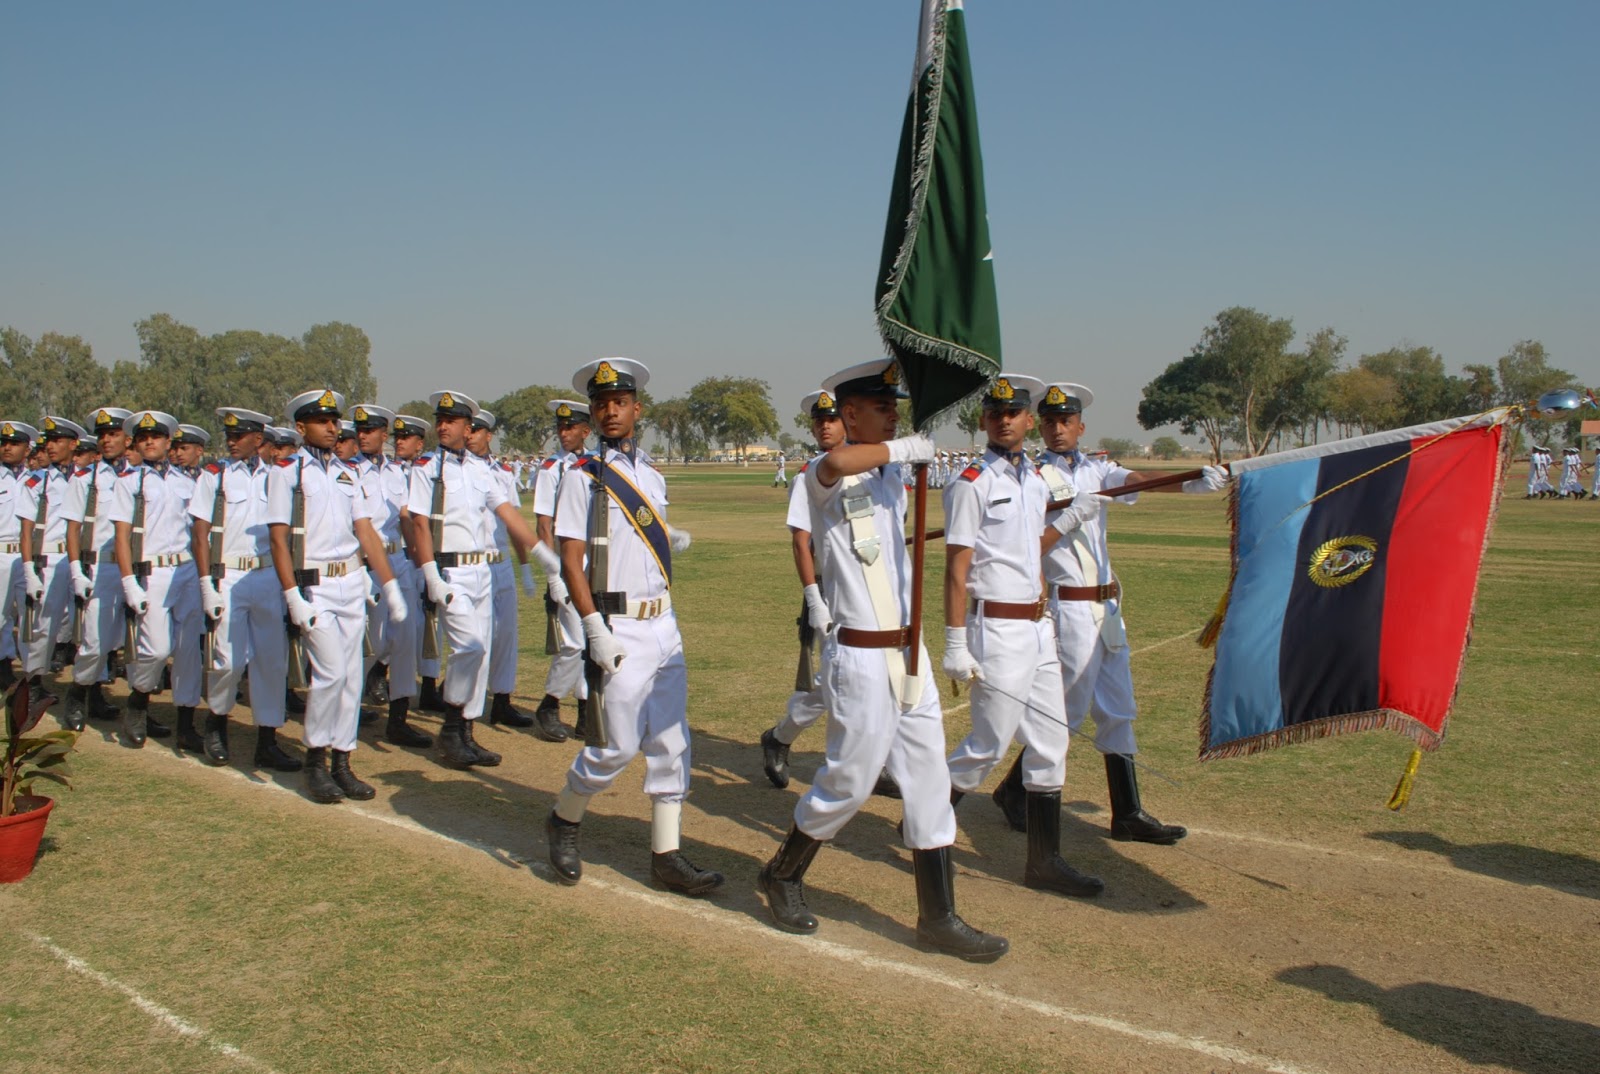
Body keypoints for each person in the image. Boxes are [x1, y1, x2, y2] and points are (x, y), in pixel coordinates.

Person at [755, 359, 1006, 961]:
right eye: (880, 405)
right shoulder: (825, 474)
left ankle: (938, 917)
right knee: (849, 780)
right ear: (848, 414)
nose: (893, 411)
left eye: (895, 404)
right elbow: (838, 463)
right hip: (860, 657)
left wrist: (907, 456)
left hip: (906, 650)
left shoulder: (893, 476)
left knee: (928, 782)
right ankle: (783, 874)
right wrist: (903, 446)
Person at [988, 382, 1227, 845]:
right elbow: (1023, 546)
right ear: (1040, 425)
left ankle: (1127, 811)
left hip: (1107, 605)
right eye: (1050, 421)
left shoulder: (1099, 469)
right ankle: (1015, 790)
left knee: (1119, 707)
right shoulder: (1031, 477)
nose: (1058, 429)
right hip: (1068, 606)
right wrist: (1068, 518)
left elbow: (1137, 482)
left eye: (1066, 421)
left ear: (1080, 426)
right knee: (1069, 708)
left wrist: (1196, 479)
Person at [545, 357, 722, 897]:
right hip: (616, 625)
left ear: (636, 409)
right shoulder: (581, 477)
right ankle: (564, 818)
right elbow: (570, 559)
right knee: (615, 746)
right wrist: (593, 628)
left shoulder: (651, 475)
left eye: (619, 402)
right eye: (601, 404)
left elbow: (645, 539)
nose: (610, 411)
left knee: (672, 742)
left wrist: (672, 537)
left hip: (663, 622)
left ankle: (665, 855)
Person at [941, 375, 1103, 899]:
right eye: (994, 413)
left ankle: (1044, 862)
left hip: (1038, 625)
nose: (1004, 420)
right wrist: (955, 640)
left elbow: (1032, 549)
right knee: (987, 745)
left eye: (1013, 413)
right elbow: (956, 568)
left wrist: (1072, 518)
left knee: (1052, 742)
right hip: (998, 629)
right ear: (985, 421)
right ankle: (925, 823)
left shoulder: (1035, 477)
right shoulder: (971, 482)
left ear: (1028, 420)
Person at [267, 389, 409, 803]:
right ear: (300, 427)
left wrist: (388, 583)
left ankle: (342, 759)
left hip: (350, 583)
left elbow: (365, 532)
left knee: (350, 676)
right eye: (322, 421)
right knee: (329, 673)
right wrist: (293, 595)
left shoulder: (348, 473)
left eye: (334, 421)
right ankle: (315, 758)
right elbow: (278, 541)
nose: (332, 427)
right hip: (315, 587)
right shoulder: (286, 473)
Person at [407, 391, 548, 769]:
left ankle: (464, 733)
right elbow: (419, 524)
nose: (443, 426)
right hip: (451, 572)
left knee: (482, 652)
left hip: (483, 570)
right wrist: (431, 575)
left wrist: (539, 555)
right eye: (440, 420)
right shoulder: (425, 468)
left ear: (468, 428)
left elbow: (507, 514)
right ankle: (452, 728)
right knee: (468, 647)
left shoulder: (482, 471)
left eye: (451, 421)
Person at [190, 407, 302, 769]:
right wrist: (206, 582)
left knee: (271, 662)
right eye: (229, 436)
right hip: (230, 576)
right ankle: (217, 722)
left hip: (269, 576)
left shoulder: (278, 477)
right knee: (228, 661)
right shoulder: (215, 476)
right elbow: (200, 534)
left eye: (240, 436)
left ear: (259, 439)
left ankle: (267, 740)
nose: (232, 442)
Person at [759, 388, 844, 788]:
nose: (825, 426)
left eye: (832, 419)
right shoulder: (808, 476)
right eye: (819, 421)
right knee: (835, 682)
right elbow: (800, 541)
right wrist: (814, 600)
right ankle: (780, 737)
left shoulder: (873, 470)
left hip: (872, 594)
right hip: (830, 592)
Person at [109, 411, 199, 747]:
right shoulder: (128, 482)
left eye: (157, 437)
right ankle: (138, 700)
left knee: (189, 650)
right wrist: (128, 580)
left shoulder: (186, 482)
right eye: (143, 438)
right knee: (157, 649)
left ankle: (186, 723)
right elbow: (121, 536)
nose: (150, 442)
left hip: (186, 569)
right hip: (152, 571)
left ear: (168, 442)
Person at [350, 404, 432, 749]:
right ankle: (348, 713)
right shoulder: (348, 472)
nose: (363, 435)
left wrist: (420, 565)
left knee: (406, 640)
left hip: (399, 559)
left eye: (371, 430)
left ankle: (398, 719)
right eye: (360, 430)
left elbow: (405, 518)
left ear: (383, 435)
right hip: (366, 562)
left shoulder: (397, 472)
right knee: (369, 644)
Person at [466, 408, 541, 729]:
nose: (469, 435)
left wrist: (524, 568)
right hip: (472, 565)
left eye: (476, 430)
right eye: (467, 430)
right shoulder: (458, 471)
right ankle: (464, 705)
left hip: (502, 564)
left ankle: (502, 701)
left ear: (488, 435)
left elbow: (513, 525)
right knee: (475, 640)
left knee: (506, 635)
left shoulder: (503, 474)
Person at [61, 407, 133, 728]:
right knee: (94, 640)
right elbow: (73, 529)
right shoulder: (86, 479)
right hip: (100, 569)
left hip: (133, 569)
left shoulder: (139, 475)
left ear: (127, 438)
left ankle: (96, 694)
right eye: (102, 435)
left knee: (118, 639)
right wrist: (76, 569)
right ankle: (77, 693)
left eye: (113, 434)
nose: (106, 440)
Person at [527, 399, 590, 742]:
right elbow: (544, 525)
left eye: (571, 427)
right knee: (575, 643)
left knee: (590, 640)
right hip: (566, 568)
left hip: (591, 564)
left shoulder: (592, 463)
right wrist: (553, 574)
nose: (564, 433)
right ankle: (549, 705)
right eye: (560, 427)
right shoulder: (552, 469)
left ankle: (584, 712)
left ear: (586, 430)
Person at [18, 416, 89, 692]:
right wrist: (28, 570)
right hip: (50, 560)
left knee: (86, 625)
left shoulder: (88, 479)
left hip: (84, 561)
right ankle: (32, 683)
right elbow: (26, 532)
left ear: (74, 444)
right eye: (48, 441)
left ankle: (89, 689)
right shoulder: (38, 482)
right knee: (42, 626)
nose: (50, 446)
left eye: (58, 441)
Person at [0, 422, 41, 689]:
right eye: (3, 443)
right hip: (1, 552)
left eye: (14, 443)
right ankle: (3, 666)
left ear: (28, 448)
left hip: (28, 554)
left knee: (31, 615)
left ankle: (32, 675)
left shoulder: (37, 479)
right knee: (2, 616)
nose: (6, 447)